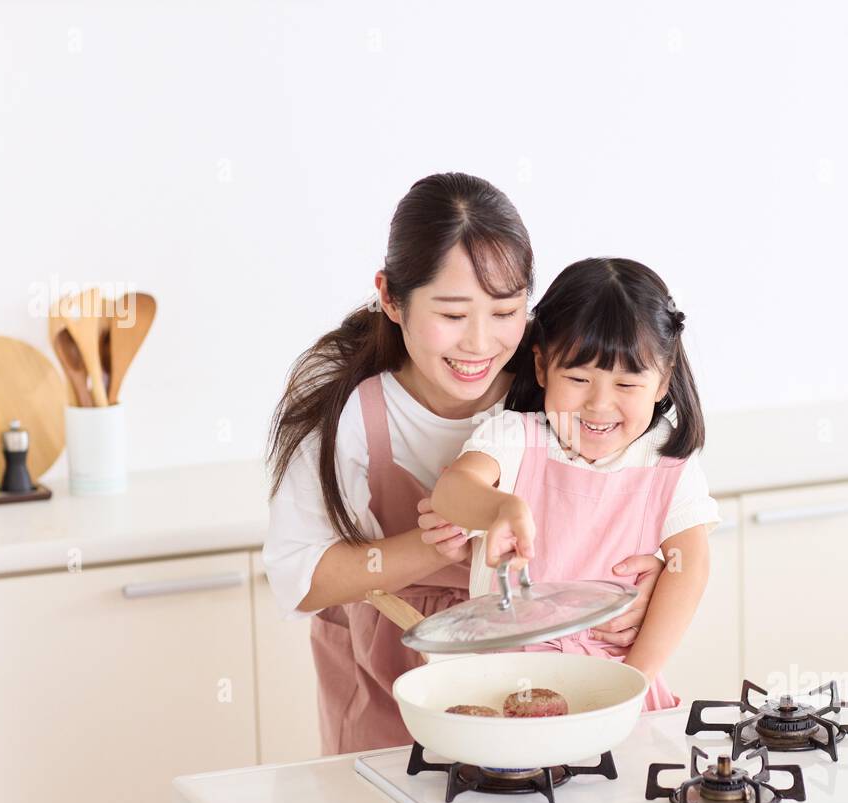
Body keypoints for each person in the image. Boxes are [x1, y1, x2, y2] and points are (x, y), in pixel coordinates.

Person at [263, 175, 667, 754]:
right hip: (392, 673)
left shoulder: (560, 385)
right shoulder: (348, 408)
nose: (480, 343)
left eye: (505, 311)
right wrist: (439, 545)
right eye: (452, 315)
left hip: (546, 670)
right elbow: (301, 580)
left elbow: (635, 500)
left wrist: (644, 579)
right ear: (391, 297)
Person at [432, 258, 719, 709]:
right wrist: (499, 509)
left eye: (627, 384)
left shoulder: (666, 459)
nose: (599, 405)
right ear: (543, 367)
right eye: (579, 378)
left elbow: (691, 566)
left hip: (615, 682)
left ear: (662, 382)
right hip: (508, 684)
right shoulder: (516, 438)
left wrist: (632, 681)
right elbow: (452, 492)